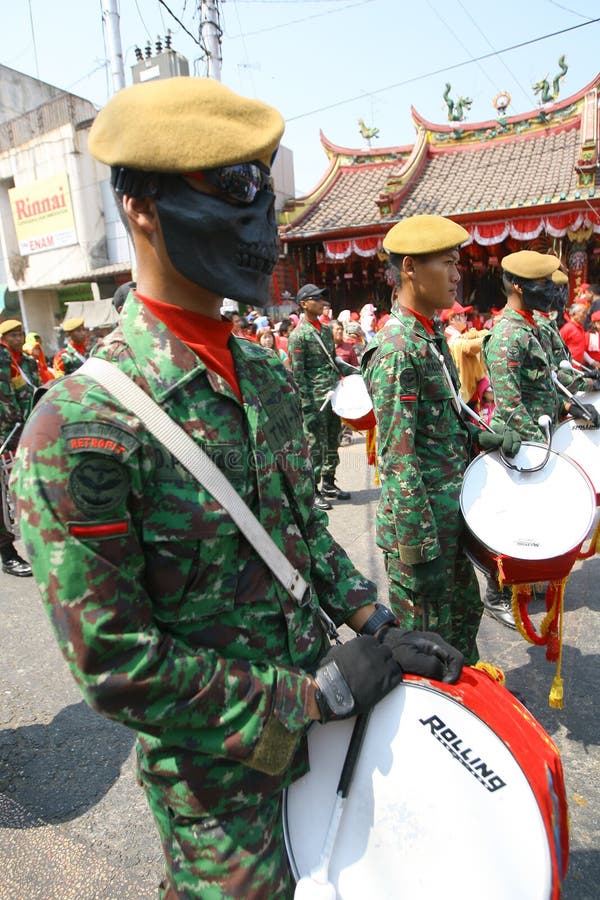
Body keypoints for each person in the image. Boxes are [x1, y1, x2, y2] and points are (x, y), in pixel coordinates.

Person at [11, 77, 464, 900]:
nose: (263, 216)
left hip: (326, 753)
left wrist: (374, 616)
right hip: (219, 803)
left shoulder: (259, 368)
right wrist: (313, 694)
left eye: (263, 182)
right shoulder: (79, 429)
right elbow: (115, 664)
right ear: (142, 206)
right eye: (232, 184)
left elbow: (298, 533)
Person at [361, 214, 521, 657]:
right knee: (430, 648)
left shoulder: (428, 335)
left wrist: (478, 435)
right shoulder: (397, 349)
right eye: (448, 263)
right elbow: (399, 459)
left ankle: (477, 710)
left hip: (449, 522)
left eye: (458, 264)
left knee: (464, 624)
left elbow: (444, 422)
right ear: (409, 268)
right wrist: (417, 549)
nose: (457, 275)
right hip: (424, 533)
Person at [482, 252, 600, 442]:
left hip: (544, 433)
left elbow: (542, 386)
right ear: (518, 286)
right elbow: (510, 408)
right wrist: (545, 446)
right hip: (525, 446)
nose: (552, 290)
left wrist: (568, 406)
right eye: (544, 283)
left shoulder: (531, 328)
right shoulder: (508, 336)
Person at [288, 284, 356, 510]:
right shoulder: (299, 335)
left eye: (322, 299)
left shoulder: (326, 331)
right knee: (315, 445)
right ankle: (312, 490)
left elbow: (332, 361)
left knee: (333, 440)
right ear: (304, 304)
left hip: (333, 396)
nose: (322, 303)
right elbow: (298, 374)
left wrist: (355, 372)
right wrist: (306, 407)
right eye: (315, 299)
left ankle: (328, 482)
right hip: (314, 401)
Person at [0, 319, 38, 577]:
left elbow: (17, 395)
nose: (17, 338)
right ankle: (7, 554)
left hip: (16, 433)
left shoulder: (15, 359)